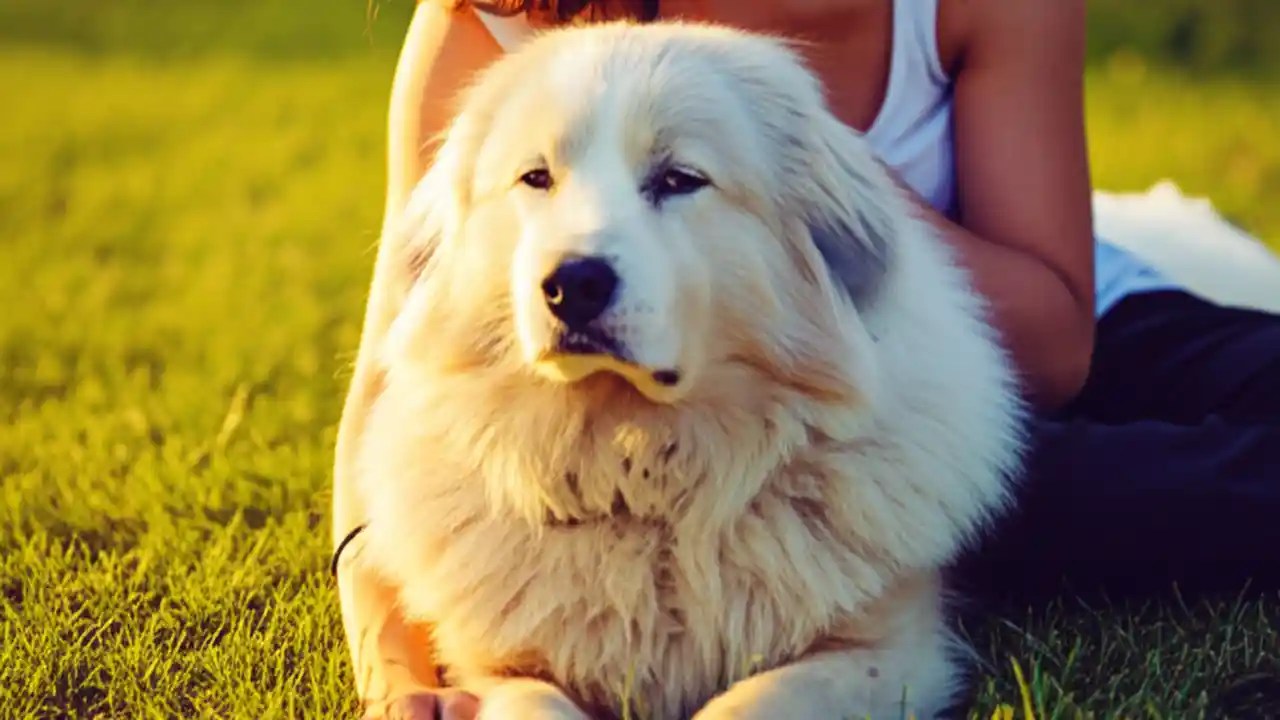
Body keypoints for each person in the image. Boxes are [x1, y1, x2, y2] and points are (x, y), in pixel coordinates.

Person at [330, 1, 1280, 717]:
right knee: (1067, 505)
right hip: (819, 409)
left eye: (674, 176)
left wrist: (807, 163)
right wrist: (393, 671)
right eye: (539, 177)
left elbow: (1058, 346)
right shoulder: (505, 12)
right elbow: (394, 373)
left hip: (990, 353)